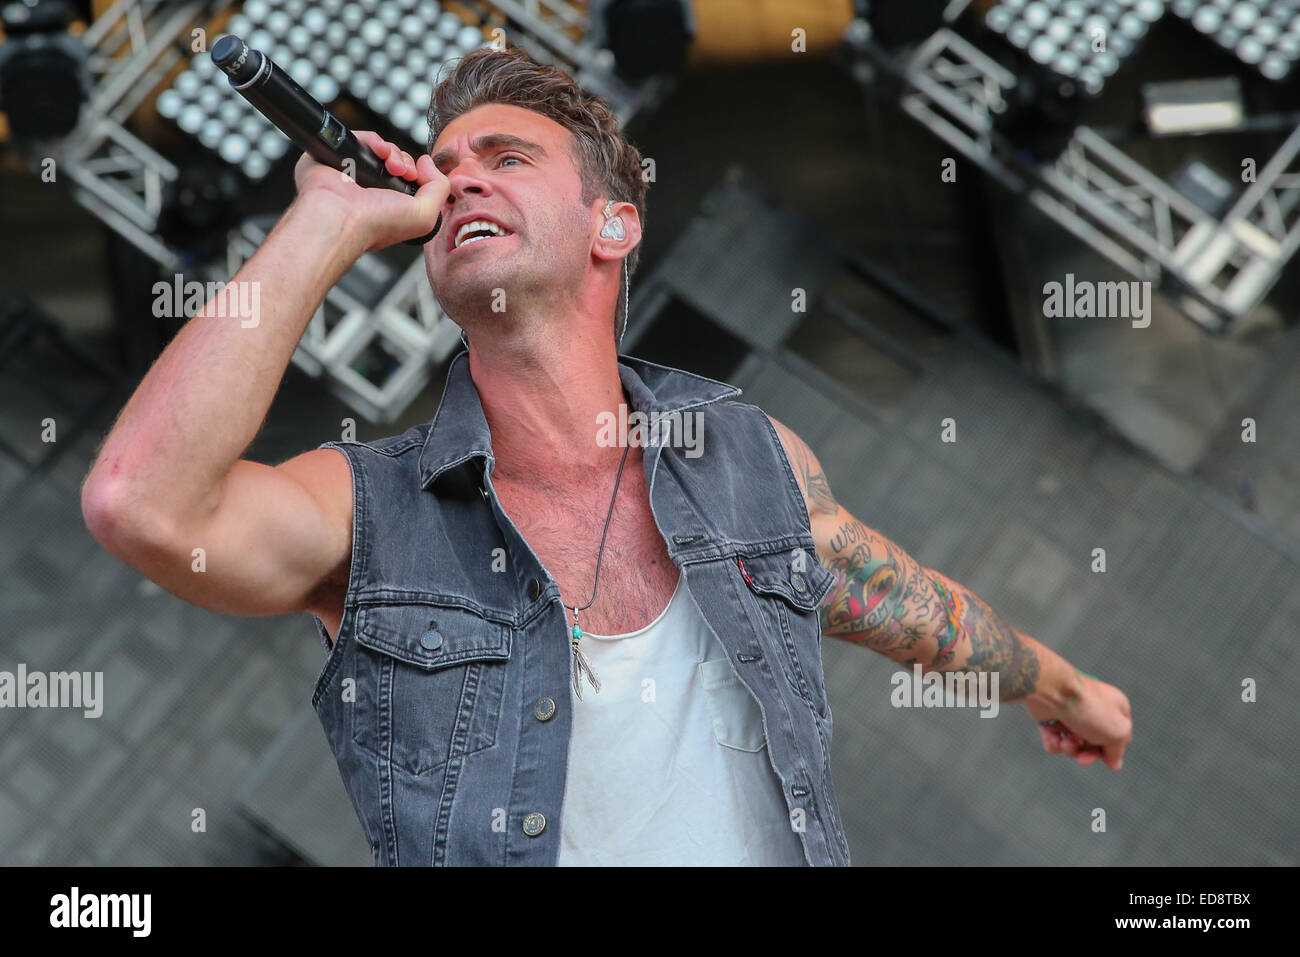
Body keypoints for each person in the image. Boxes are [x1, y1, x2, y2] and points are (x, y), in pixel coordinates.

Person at [81, 47, 1132, 867]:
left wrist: (1062, 688)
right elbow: (142, 503)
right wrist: (321, 221)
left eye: (506, 159)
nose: (457, 183)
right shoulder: (370, 512)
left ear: (613, 225)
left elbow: (897, 601)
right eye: (443, 169)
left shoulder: (747, 455)